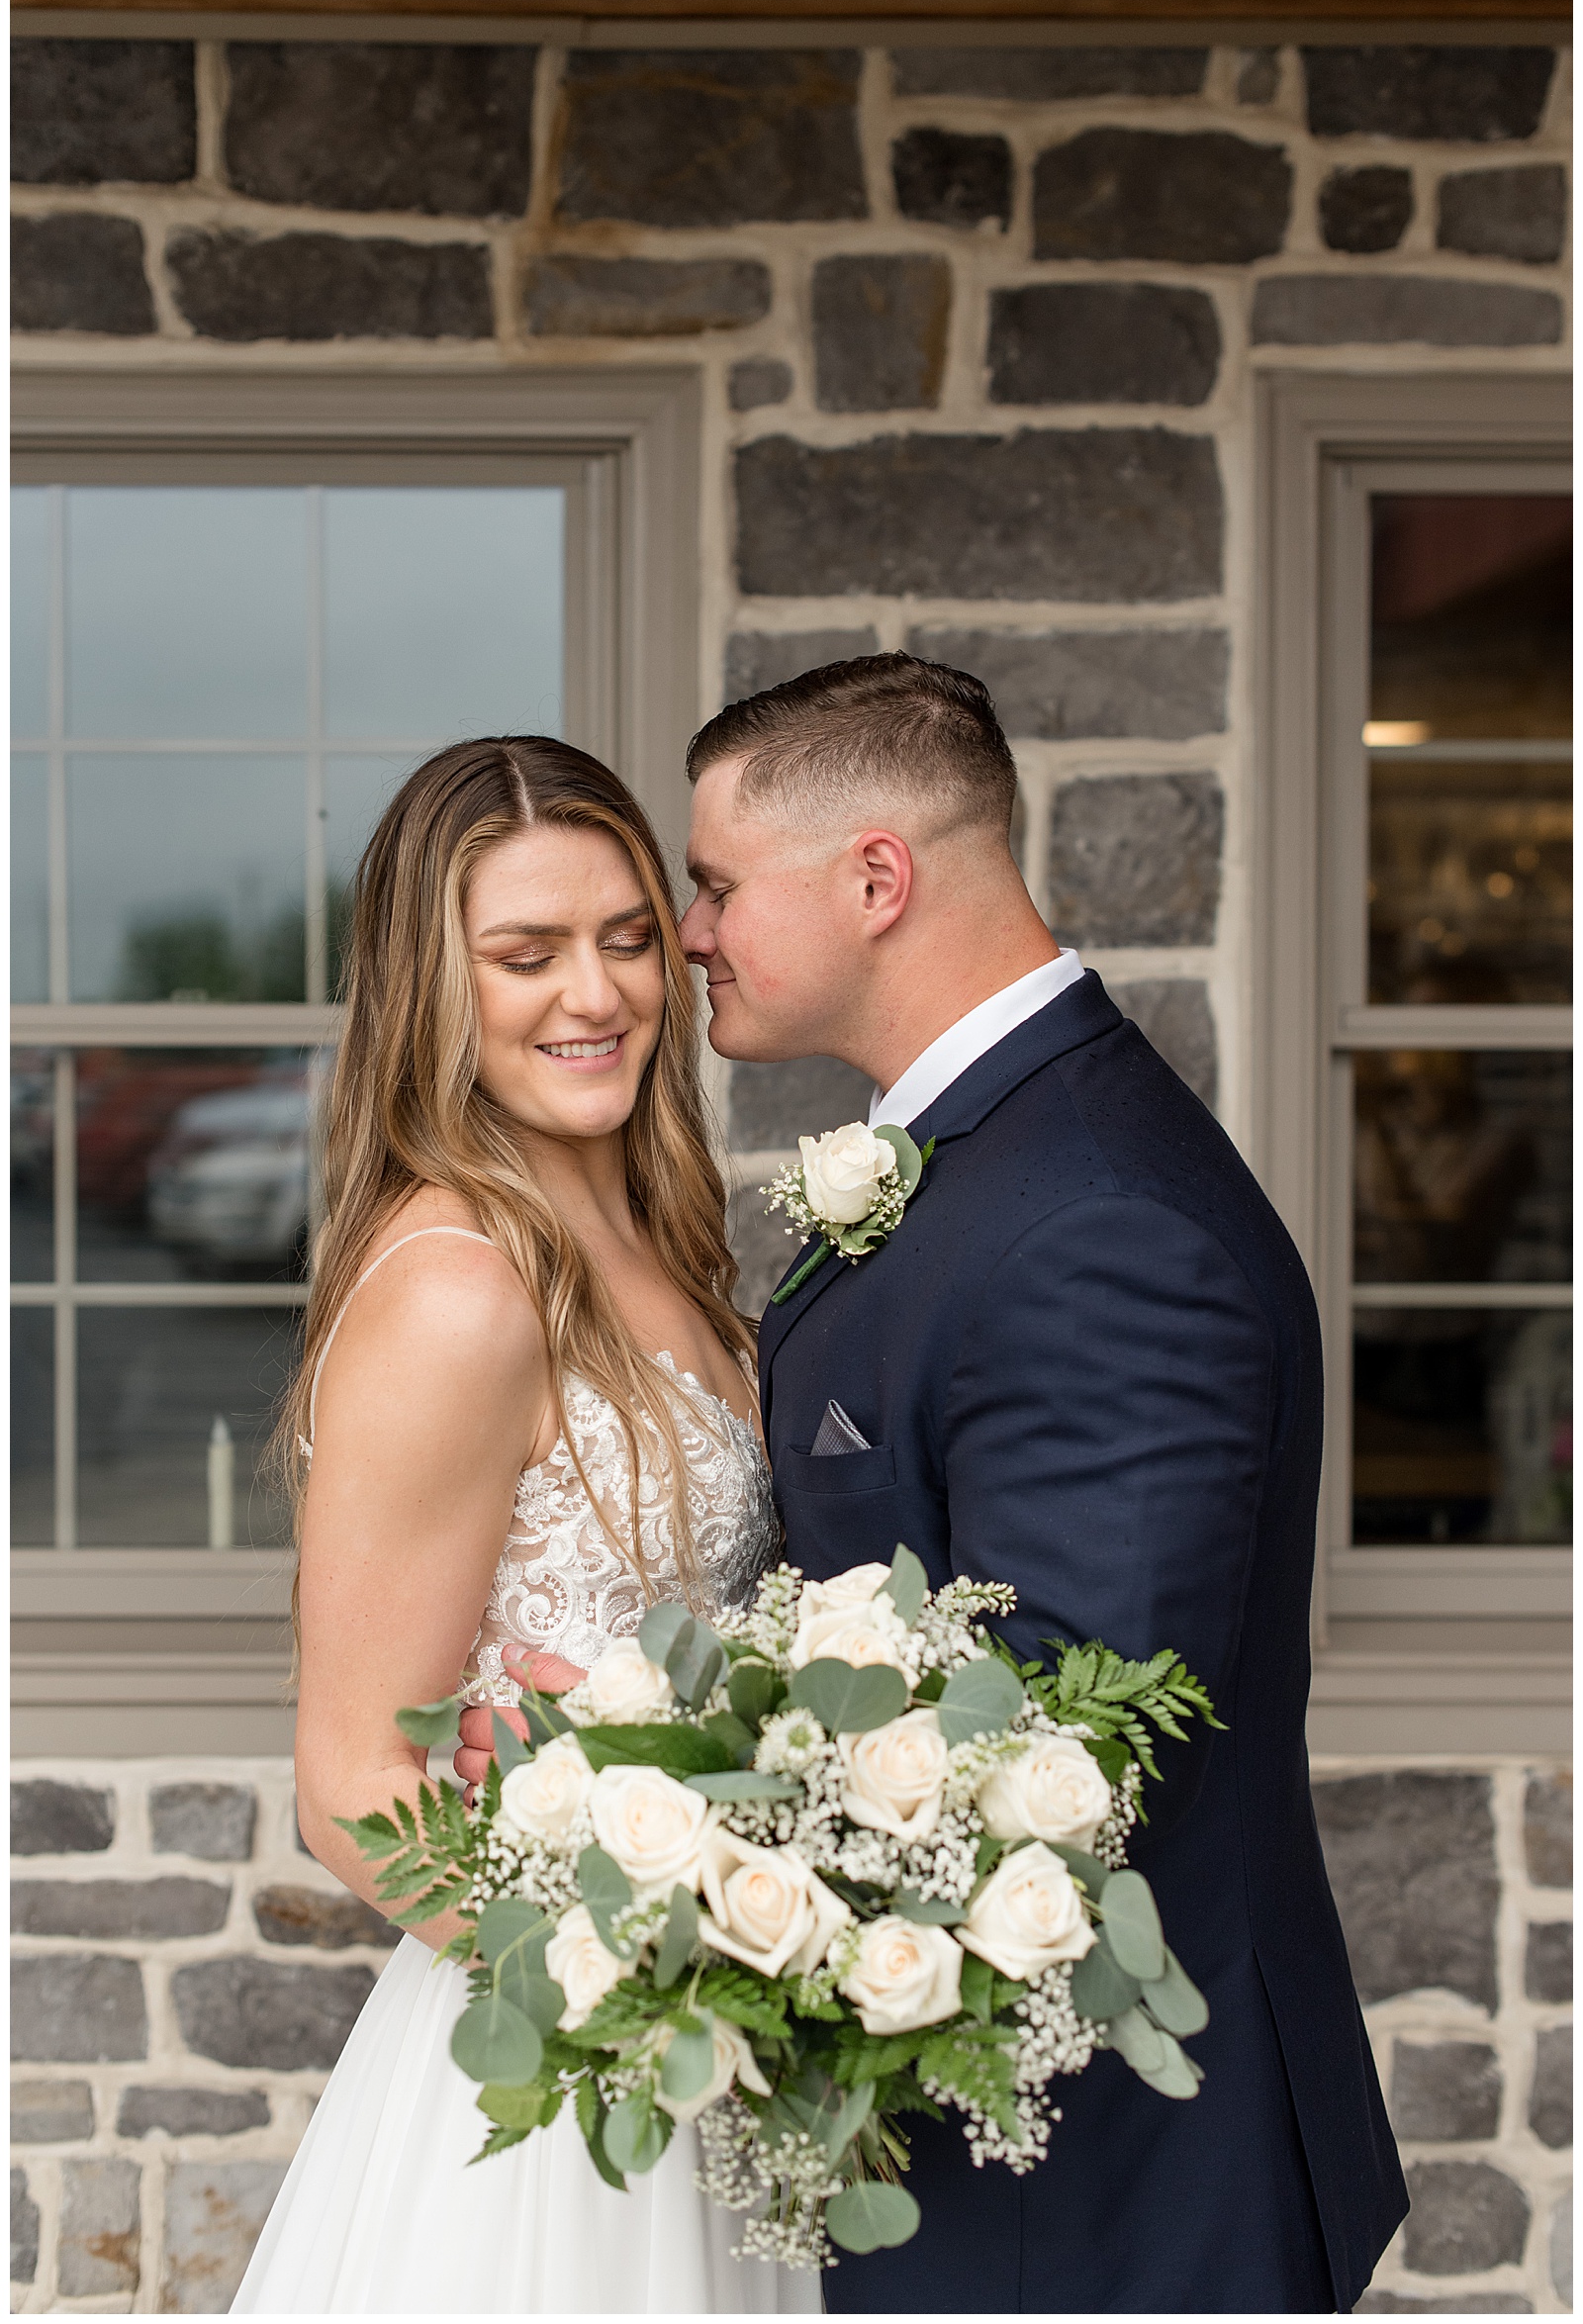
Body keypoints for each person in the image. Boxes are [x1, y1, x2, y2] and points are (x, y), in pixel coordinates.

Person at [461, 653, 1408, 2313]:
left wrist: (643, 1821)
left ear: (877, 879)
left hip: (1104, 2193)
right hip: (989, 2157)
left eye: (713, 885)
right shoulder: (993, 1156)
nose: (687, 935)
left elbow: (1071, 1746)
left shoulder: (1096, 1218)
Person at [233, 736, 811, 2316]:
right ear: (435, 984)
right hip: (577, 2078)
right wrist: (647, 1988)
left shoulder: (654, 1231)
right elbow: (352, 1787)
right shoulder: (459, 1286)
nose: (598, 993)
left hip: (716, 2034)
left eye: (630, 936)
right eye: (527, 952)